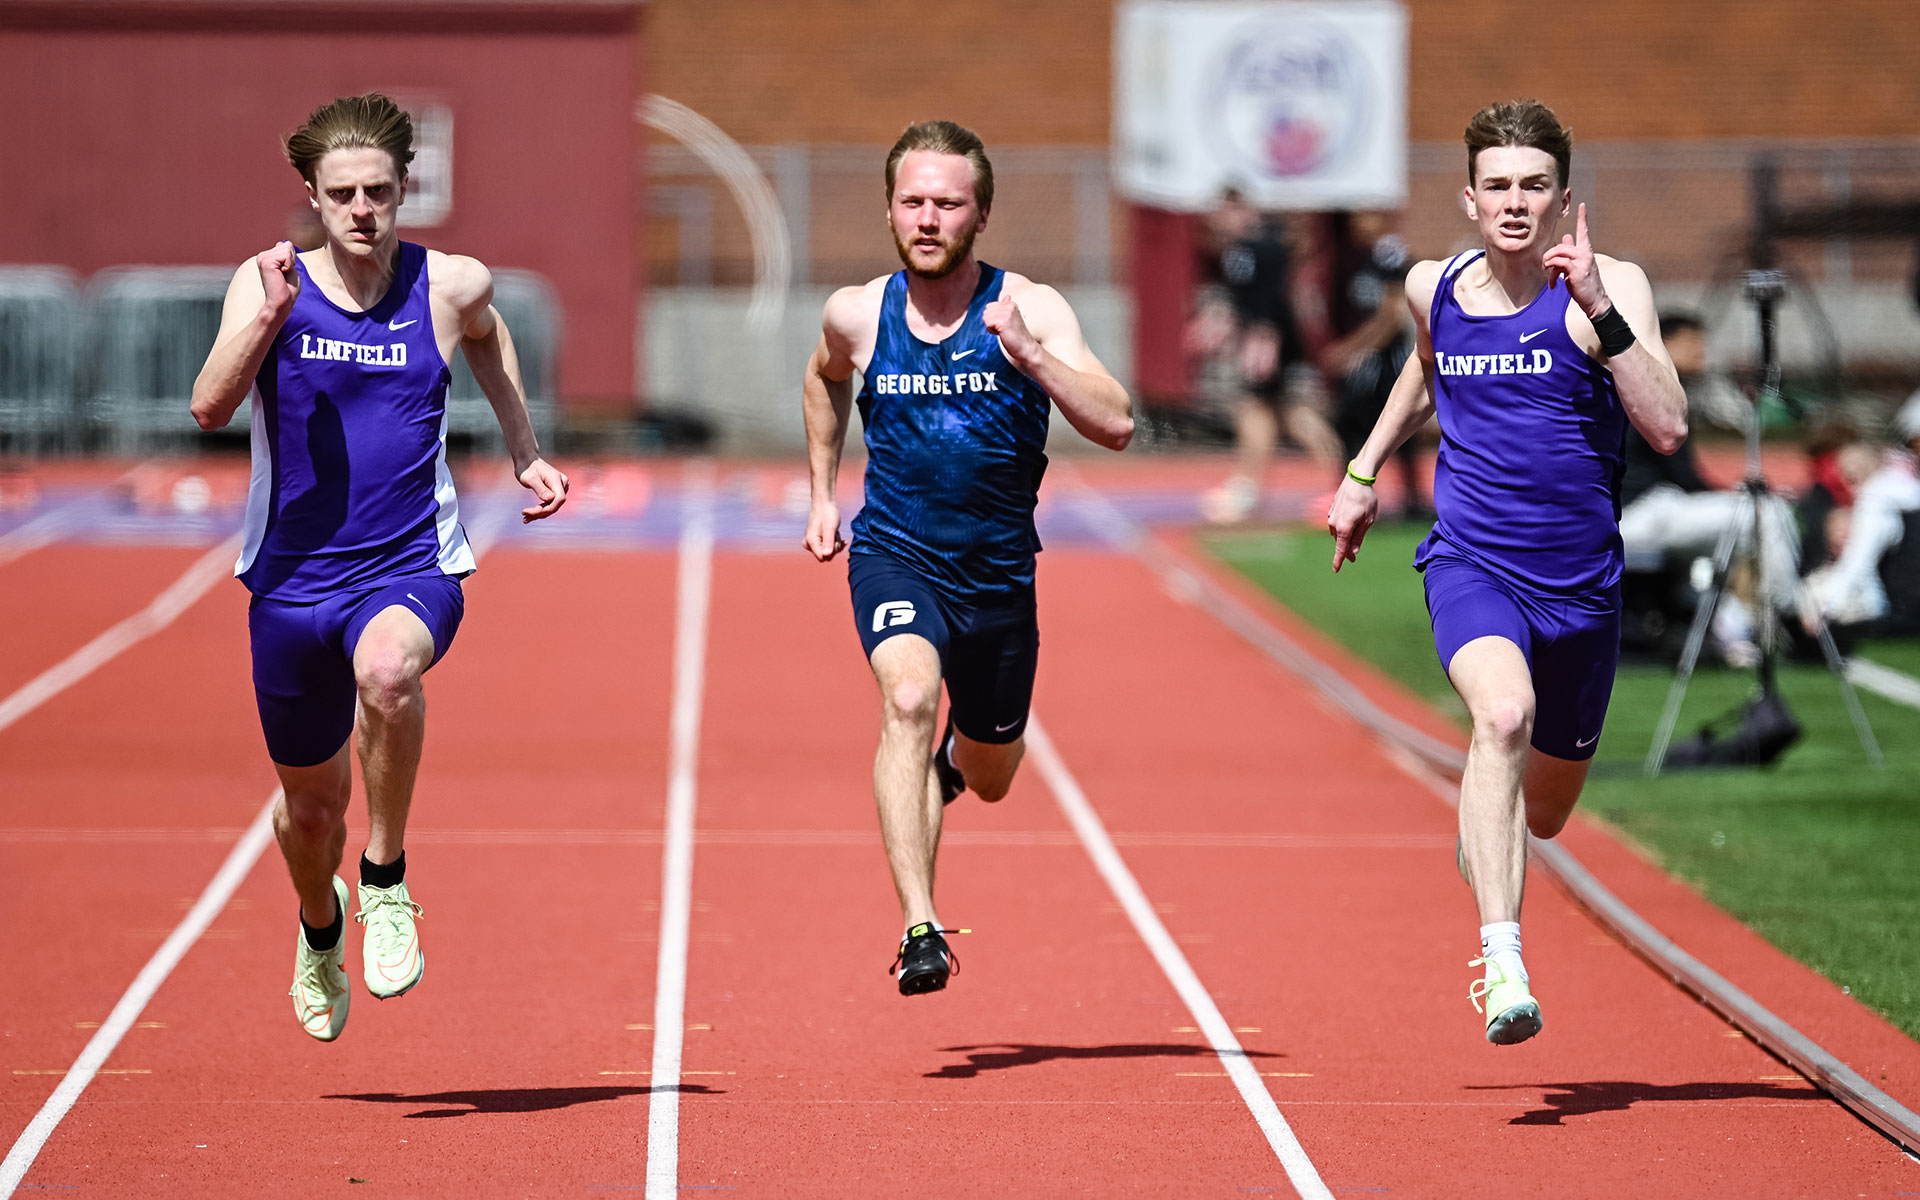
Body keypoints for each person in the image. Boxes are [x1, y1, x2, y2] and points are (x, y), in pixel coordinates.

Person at [190, 94, 568, 1042]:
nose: (362, 210)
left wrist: (525, 451)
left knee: (390, 673)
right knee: (310, 812)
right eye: (342, 195)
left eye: (378, 192)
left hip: (408, 564)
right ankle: (320, 926)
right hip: (289, 586)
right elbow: (208, 406)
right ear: (312, 196)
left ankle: (387, 880)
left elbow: (487, 333)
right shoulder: (268, 283)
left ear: (405, 187)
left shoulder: (451, 284)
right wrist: (268, 318)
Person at [1326, 99, 1688, 1044]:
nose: (1515, 203)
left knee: (1548, 813)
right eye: (1498, 187)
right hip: (1473, 562)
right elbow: (1426, 369)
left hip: (1582, 588)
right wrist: (1362, 474)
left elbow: (1667, 426)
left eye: (1534, 186)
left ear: (1564, 198)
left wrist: (1598, 307)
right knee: (1501, 717)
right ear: (1470, 198)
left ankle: (1488, 837)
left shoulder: (1614, 288)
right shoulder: (1433, 286)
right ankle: (1503, 960)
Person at [800, 120, 1132, 995]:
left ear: (980, 215)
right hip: (896, 554)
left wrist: (1031, 357)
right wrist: (821, 494)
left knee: (990, 777)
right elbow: (824, 378)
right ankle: (921, 927)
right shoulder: (857, 313)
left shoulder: (1032, 308)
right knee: (908, 698)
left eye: (948, 204)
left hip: (999, 579)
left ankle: (950, 767)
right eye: (912, 201)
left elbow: (1118, 422)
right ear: (888, 211)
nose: (928, 218)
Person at [1190, 189, 1341, 523]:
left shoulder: (1259, 247)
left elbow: (1273, 298)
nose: (1220, 219)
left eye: (1228, 210)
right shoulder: (1239, 250)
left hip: (1270, 344)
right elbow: (1244, 300)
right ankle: (1338, 480)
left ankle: (1249, 489)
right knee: (1285, 415)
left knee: (1256, 411)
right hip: (1265, 340)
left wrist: (1264, 338)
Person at [1323, 211, 1425, 519]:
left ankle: (1411, 497)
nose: (1361, 224)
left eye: (1368, 216)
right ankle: (1351, 491)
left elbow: (1391, 317)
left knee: (1396, 421)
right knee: (1350, 424)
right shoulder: (1356, 260)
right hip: (1368, 358)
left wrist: (1350, 349)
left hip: (1386, 360)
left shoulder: (1389, 256)